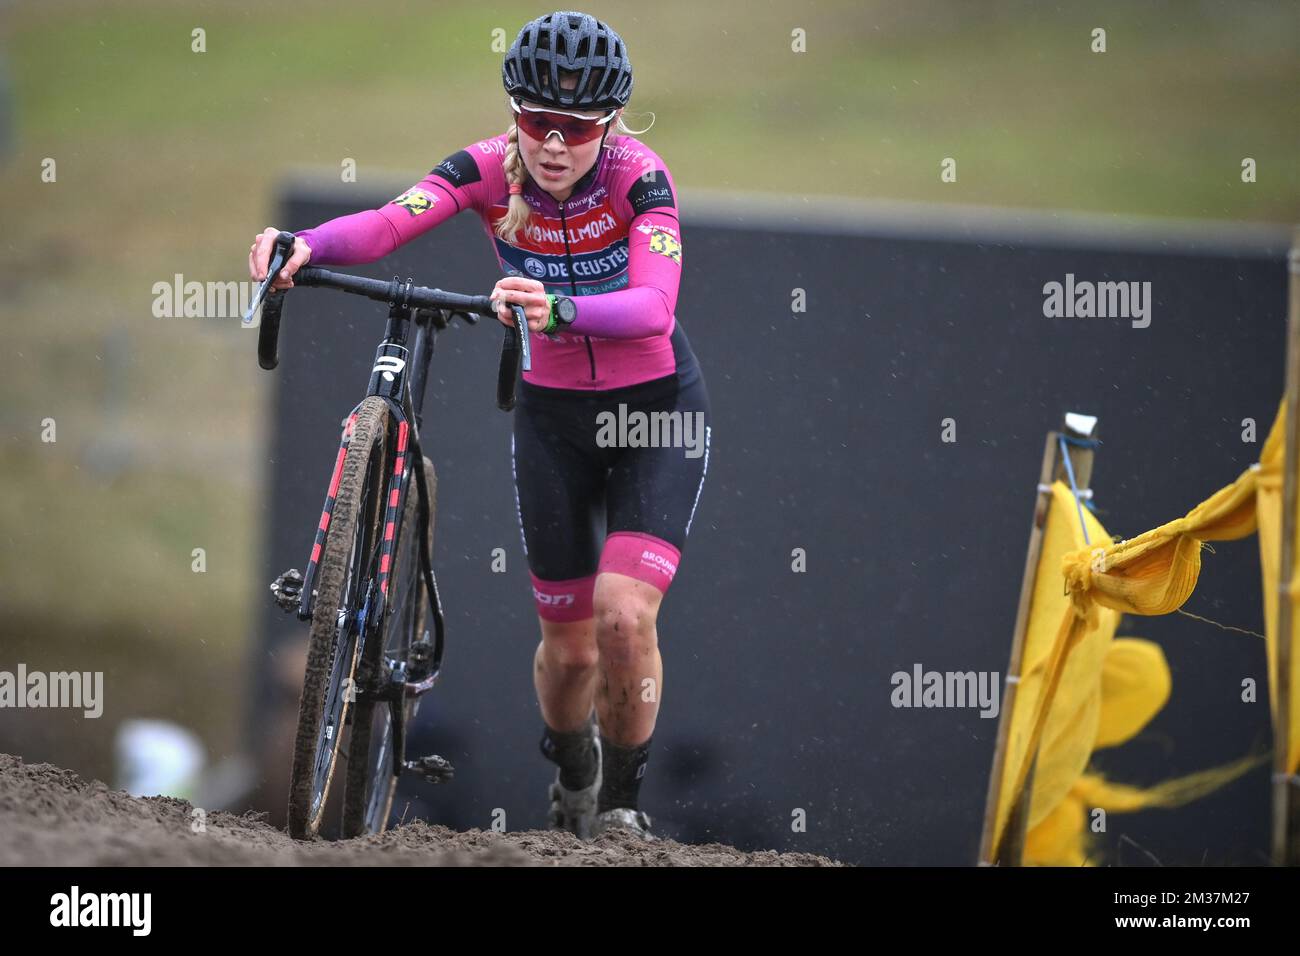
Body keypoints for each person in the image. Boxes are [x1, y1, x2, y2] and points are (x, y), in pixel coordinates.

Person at [247, 11, 710, 841]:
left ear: (609, 125)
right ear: (514, 116)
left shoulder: (642, 180)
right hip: (554, 417)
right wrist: (302, 245)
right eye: (537, 123)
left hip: (654, 411)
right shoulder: (488, 169)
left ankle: (621, 805)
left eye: (576, 128)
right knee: (568, 652)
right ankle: (573, 769)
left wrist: (557, 305)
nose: (555, 145)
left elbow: (654, 309)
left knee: (623, 616)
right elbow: (391, 222)